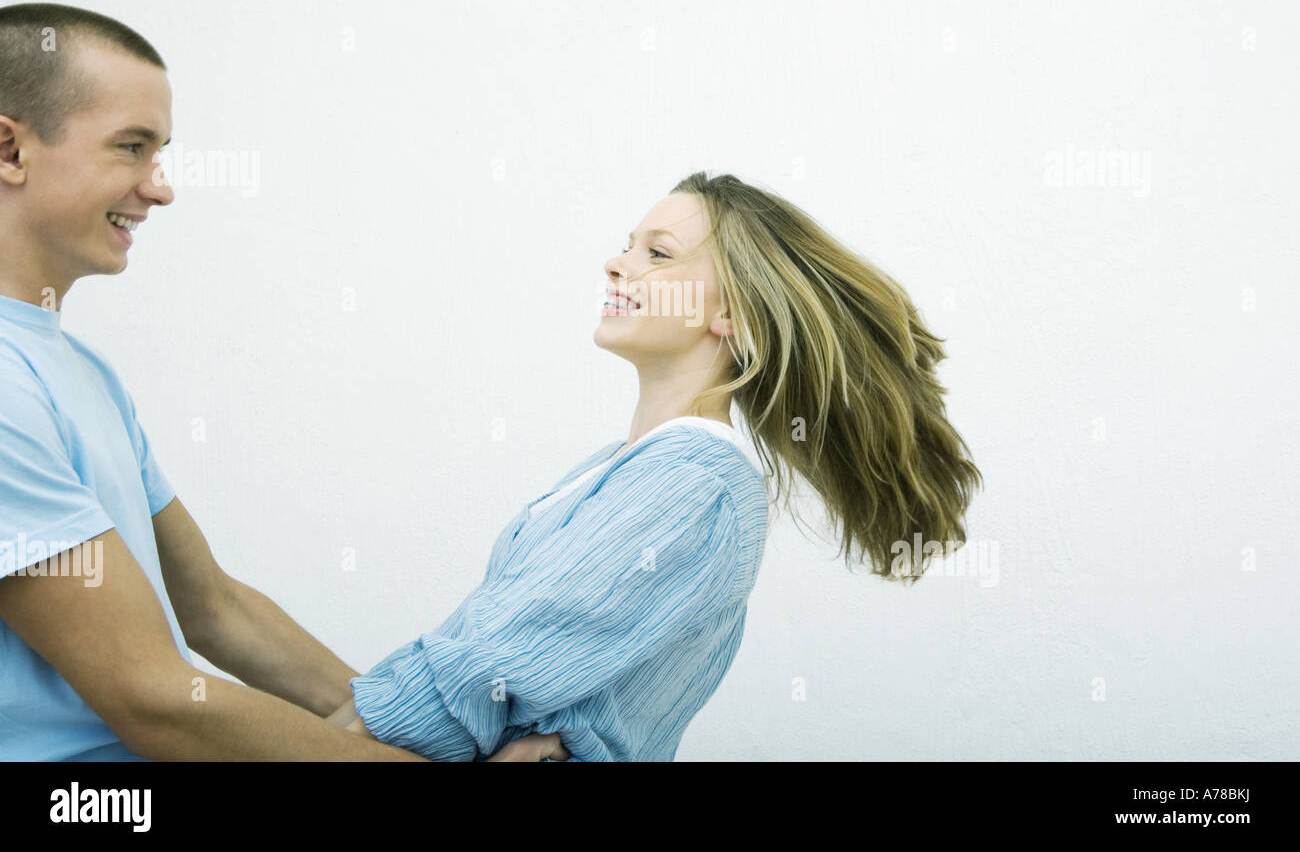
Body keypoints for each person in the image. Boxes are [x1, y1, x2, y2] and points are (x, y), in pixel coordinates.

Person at [0, 2, 563, 761]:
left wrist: (434, 736)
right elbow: (152, 696)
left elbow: (214, 607)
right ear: (10, 149)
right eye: (131, 148)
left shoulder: (82, 371)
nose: (159, 188)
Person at [323, 172, 985, 761]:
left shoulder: (695, 488)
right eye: (628, 244)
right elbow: (490, 687)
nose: (617, 263)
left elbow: (465, 693)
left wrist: (321, 731)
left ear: (733, 313)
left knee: (213, 714)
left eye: (657, 254)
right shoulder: (627, 467)